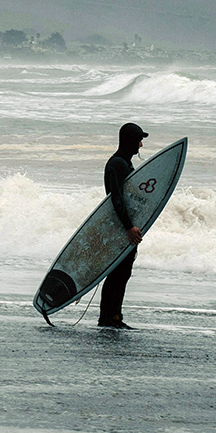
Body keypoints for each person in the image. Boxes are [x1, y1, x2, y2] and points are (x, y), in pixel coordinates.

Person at [99, 122, 147, 329]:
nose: (141, 145)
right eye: (139, 140)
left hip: (123, 225)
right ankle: (108, 318)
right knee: (117, 274)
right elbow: (116, 198)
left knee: (123, 272)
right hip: (120, 226)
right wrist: (127, 226)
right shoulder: (117, 164)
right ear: (130, 141)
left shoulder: (123, 163)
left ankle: (114, 316)